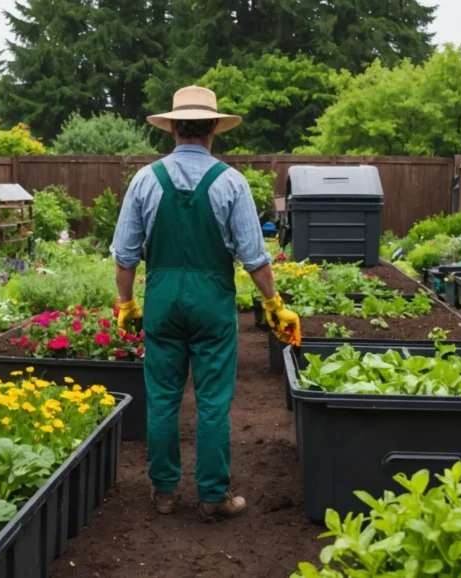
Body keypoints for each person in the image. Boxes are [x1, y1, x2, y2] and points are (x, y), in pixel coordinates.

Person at [110, 86, 301, 523]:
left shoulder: (144, 180)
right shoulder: (230, 182)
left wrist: (126, 303)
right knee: (213, 401)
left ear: (173, 127)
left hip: (162, 300)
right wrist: (274, 304)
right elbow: (254, 258)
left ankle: (163, 492)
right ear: (214, 128)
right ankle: (213, 496)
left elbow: (125, 257)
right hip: (212, 304)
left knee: (162, 398)